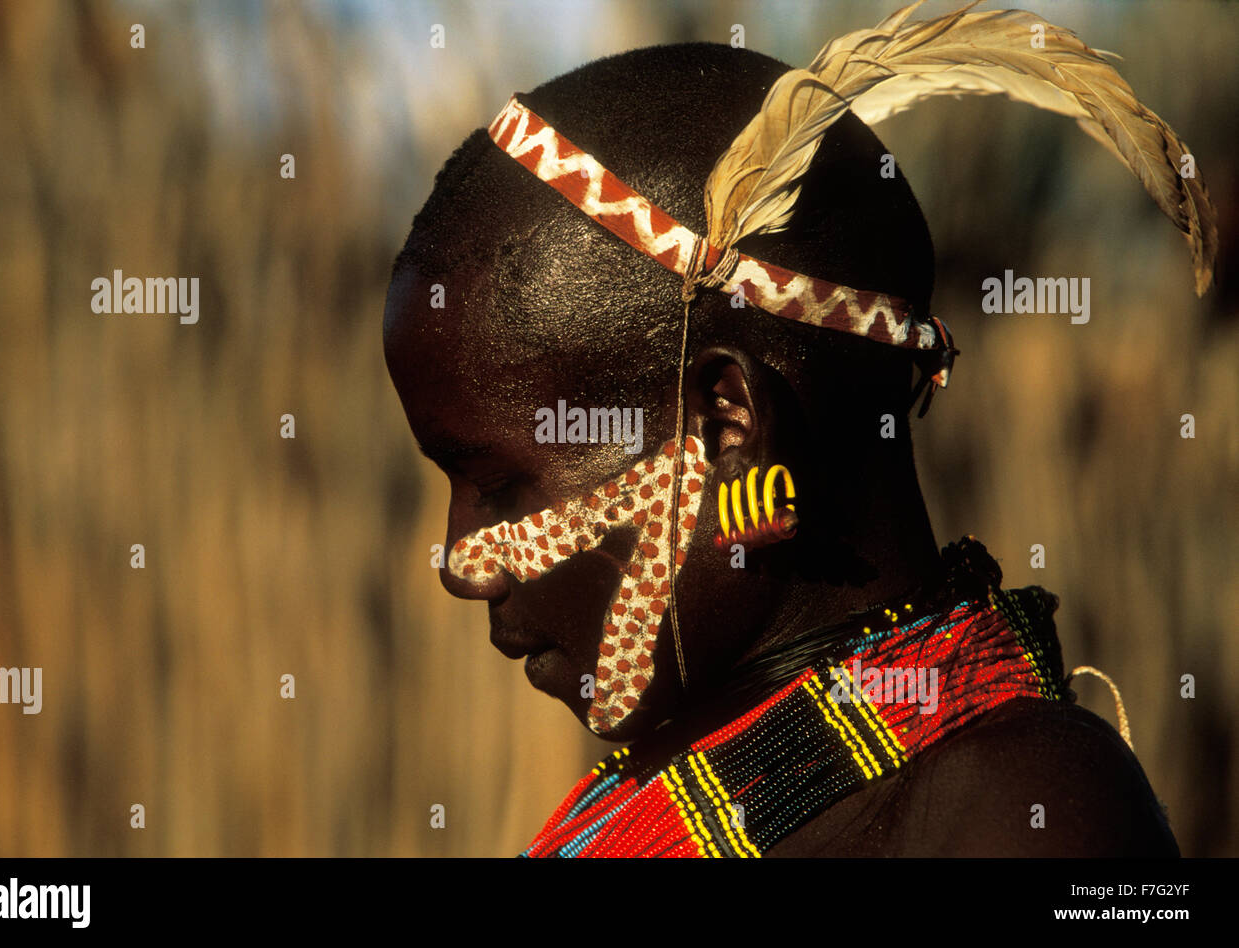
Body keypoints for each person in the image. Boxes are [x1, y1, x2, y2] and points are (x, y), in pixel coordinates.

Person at [384, 5, 1213, 856]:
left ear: (725, 422)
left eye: (495, 484)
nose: (461, 564)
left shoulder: (1020, 801)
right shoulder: (656, 795)